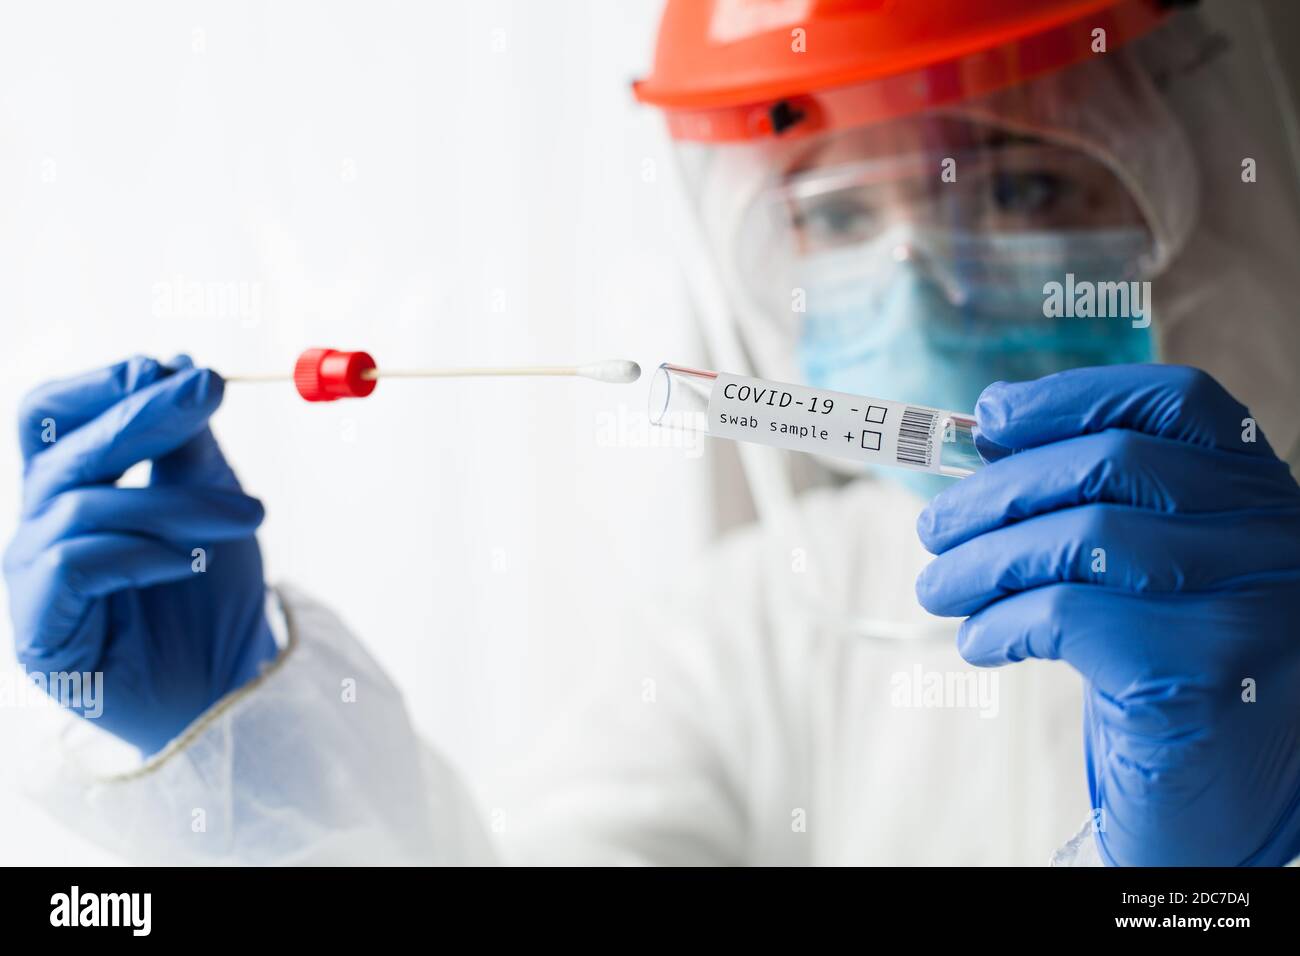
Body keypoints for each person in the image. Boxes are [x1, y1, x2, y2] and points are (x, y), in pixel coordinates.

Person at [7, 0, 1300, 865]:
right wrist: (252, 754)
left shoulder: (1275, 595)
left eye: (1018, 184)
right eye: (836, 215)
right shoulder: (751, 630)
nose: (916, 280)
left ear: (1184, 199)